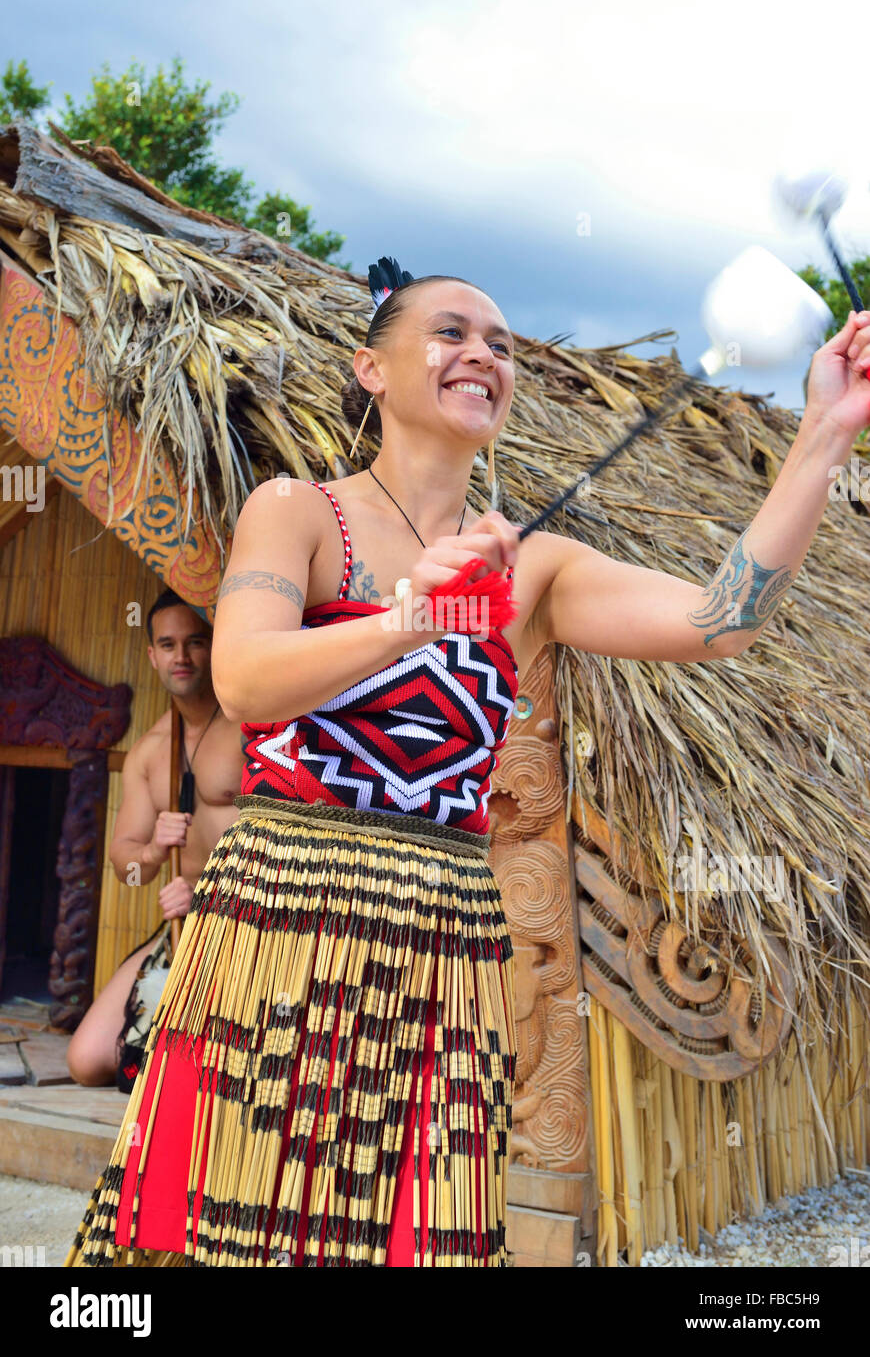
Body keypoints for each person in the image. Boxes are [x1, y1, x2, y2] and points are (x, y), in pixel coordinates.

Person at [63, 256, 870, 1268]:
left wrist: (824, 435)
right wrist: (409, 619)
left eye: (501, 344)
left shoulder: (533, 566)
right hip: (279, 915)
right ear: (372, 368)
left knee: (398, 1234)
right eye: (451, 333)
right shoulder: (299, 511)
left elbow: (723, 620)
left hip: (441, 932)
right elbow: (247, 682)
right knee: (228, 1211)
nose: (484, 353)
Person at [66, 590, 245, 1093]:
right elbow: (126, 864)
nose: (181, 657)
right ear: (152, 655)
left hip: (244, 924)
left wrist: (215, 894)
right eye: (167, 645)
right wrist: (148, 853)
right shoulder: (149, 752)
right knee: (88, 1060)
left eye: (195, 642)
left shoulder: (253, 729)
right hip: (180, 929)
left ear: (216, 645)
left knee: (193, 1073)